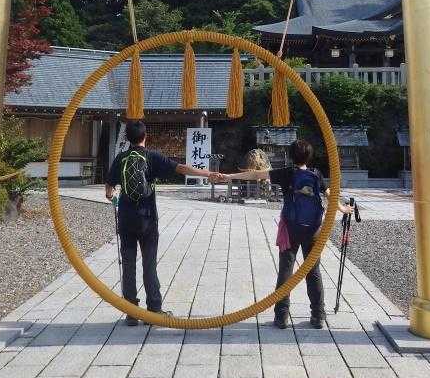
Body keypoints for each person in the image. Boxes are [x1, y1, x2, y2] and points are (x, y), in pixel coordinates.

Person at [216, 139, 350, 329]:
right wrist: (343, 209)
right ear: (309, 157)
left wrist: (228, 176)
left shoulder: (286, 173)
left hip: (290, 228)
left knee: (286, 271)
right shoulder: (316, 174)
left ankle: (281, 317)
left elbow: (255, 174)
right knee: (313, 271)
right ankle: (318, 316)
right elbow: (330, 194)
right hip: (313, 229)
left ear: (290, 155)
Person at [105, 119, 223, 326]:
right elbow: (180, 168)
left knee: (129, 263)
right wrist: (207, 173)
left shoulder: (120, 159)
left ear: (127, 139)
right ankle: (154, 309)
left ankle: (131, 312)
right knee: (149, 264)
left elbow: (108, 190)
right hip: (147, 218)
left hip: (126, 218)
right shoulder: (152, 157)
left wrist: (113, 195)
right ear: (145, 137)